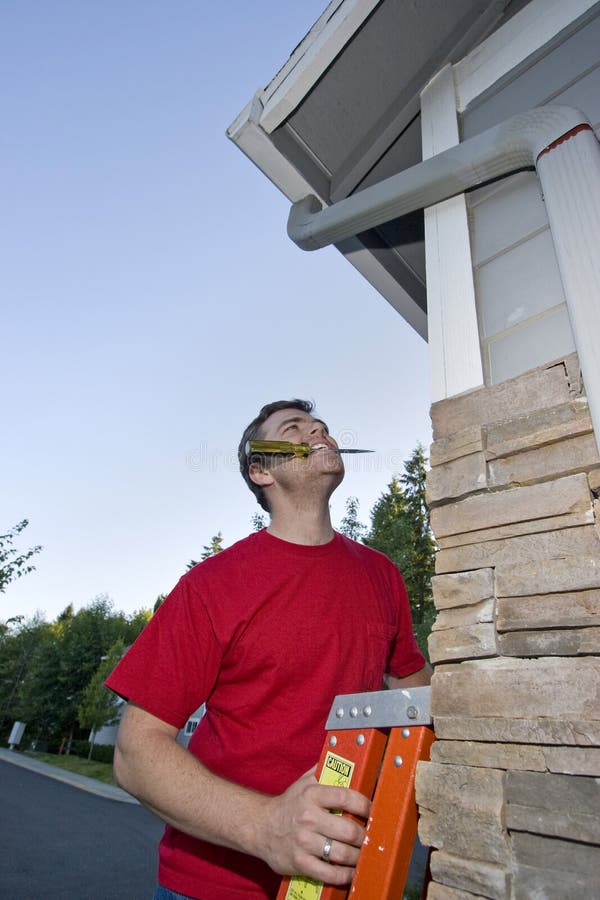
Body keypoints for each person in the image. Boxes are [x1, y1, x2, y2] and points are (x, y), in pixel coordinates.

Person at [106, 399, 431, 900]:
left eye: (320, 425)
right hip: (210, 888)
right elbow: (135, 752)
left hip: (339, 882)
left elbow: (417, 694)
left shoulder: (380, 575)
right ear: (260, 469)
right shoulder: (211, 585)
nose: (318, 430)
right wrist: (264, 827)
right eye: (294, 428)